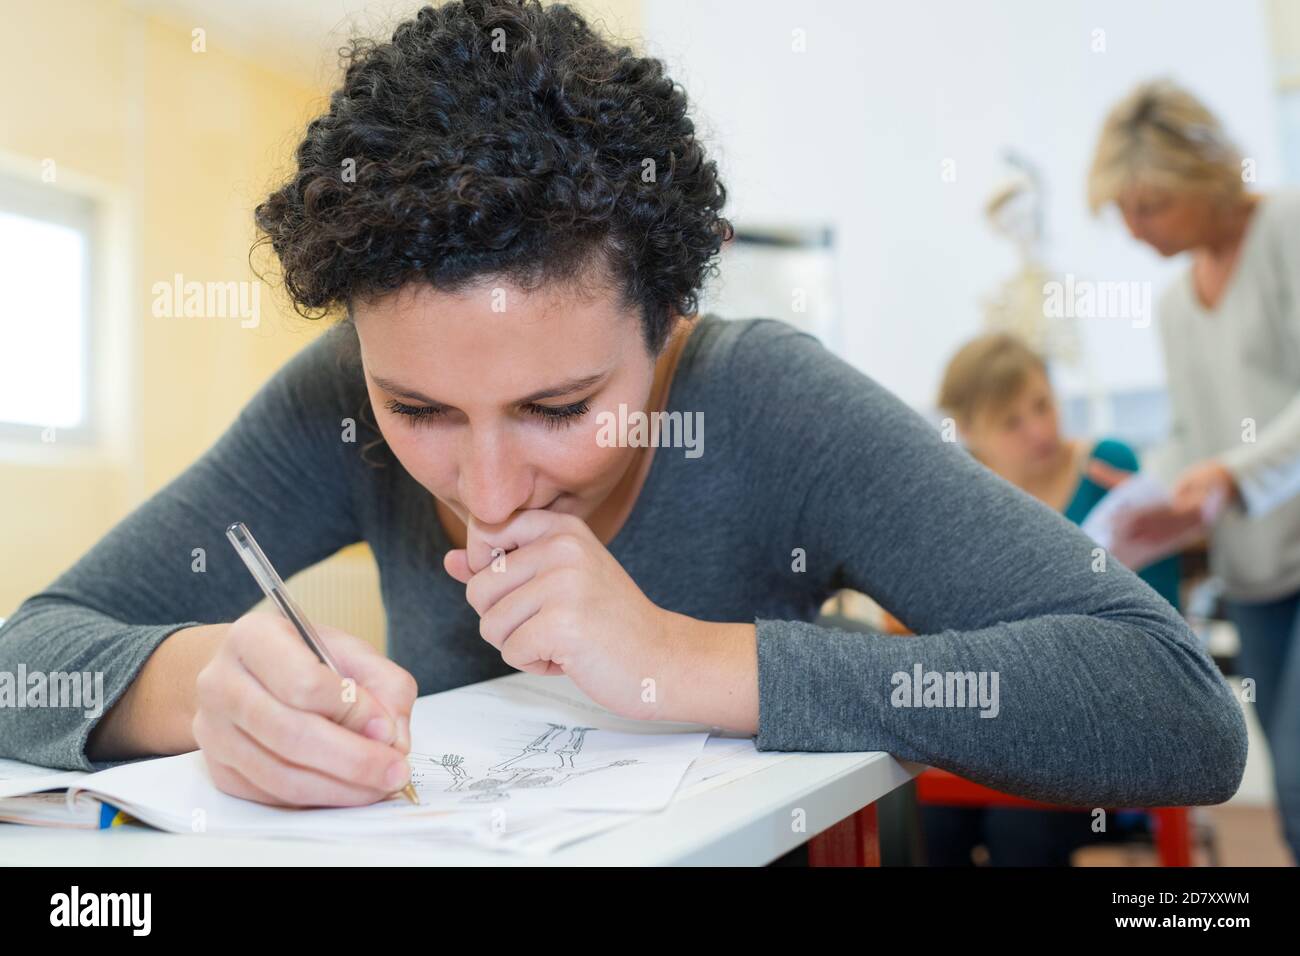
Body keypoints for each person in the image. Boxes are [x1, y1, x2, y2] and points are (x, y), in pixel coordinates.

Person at [0, 3, 1245, 824]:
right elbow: (18, 665)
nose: (486, 493)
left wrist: (685, 660)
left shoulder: (767, 400)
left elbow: (1173, 707)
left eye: (558, 404)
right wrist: (204, 678)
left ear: (670, 321)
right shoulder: (331, 401)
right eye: (418, 408)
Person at [1088, 78, 1300, 863]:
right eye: (1124, 213)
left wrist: (1229, 476)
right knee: (1288, 790)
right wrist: (1157, 492)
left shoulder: (1286, 227)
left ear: (1199, 175)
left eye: (1148, 207)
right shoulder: (1176, 304)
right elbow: (1192, 436)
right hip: (1256, 576)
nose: (1135, 230)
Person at [919, 332, 1179, 865]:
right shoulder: (965, 504)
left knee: (1018, 825)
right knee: (927, 816)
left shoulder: (1108, 467)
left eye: (1042, 405)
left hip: (1110, 718)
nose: (1039, 430)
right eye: (1012, 422)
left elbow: (1166, 618)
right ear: (969, 432)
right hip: (1007, 721)